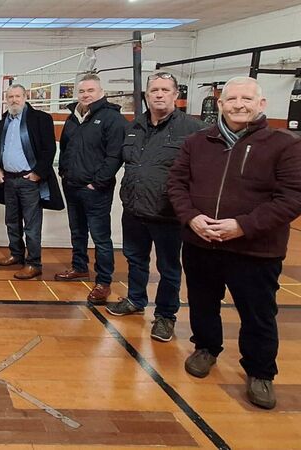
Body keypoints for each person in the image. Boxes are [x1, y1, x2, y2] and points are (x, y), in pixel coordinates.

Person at [167, 76, 301, 410]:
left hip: (255, 250)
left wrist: (242, 226)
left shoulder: (284, 145)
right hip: (201, 243)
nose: (239, 104)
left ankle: (260, 372)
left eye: (246, 98)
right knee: (201, 303)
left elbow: (291, 198)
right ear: (220, 104)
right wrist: (192, 218)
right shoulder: (197, 142)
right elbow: (177, 185)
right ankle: (206, 348)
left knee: (257, 315)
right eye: (232, 99)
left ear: (262, 104)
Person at [104, 72, 205, 342]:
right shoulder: (135, 125)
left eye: (164, 90)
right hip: (134, 209)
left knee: (168, 267)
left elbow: (202, 173)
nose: (159, 94)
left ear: (175, 95)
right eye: (154, 90)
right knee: (135, 259)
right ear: (146, 95)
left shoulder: (193, 130)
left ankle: (165, 316)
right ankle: (136, 300)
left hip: (168, 213)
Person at [55, 74, 126, 304]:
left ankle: (104, 281)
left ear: (101, 92)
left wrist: (97, 182)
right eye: (82, 91)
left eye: (90, 91)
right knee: (77, 231)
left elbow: (115, 155)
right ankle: (79, 267)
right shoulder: (73, 118)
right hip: (72, 185)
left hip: (96, 189)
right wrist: (64, 173)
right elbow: (65, 148)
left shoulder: (112, 118)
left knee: (100, 236)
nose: (86, 95)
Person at [0, 84, 64, 279]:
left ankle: (34, 263)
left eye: (17, 96)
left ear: (25, 97)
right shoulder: (3, 121)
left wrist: (37, 174)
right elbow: (0, 149)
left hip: (29, 181)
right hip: (9, 180)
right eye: (10, 97)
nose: (14, 100)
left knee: (31, 225)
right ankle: (16, 254)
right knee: (11, 222)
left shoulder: (40, 119)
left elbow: (49, 149)